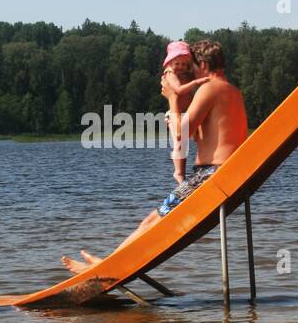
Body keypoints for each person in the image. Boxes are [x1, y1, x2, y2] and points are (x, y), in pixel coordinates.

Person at [62, 39, 248, 274]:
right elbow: (203, 136)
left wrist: (172, 98)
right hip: (226, 174)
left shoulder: (209, 88)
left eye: (190, 65)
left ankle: (104, 270)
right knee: (151, 220)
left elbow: (183, 134)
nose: (187, 71)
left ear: (201, 63)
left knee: (153, 222)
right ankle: (108, 264)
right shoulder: (232, 91)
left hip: (210, 176)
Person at [160, 40, 210, 186]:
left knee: (193, 139)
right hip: (174, 114)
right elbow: (179, 90)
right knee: (180, 143)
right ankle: (179, 172)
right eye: (177, 64)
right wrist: (196, 83)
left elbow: (196, 73)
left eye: (184, 64)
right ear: (170, 62)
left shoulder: (186, 73)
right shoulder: (170, 74)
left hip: (186, 113)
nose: (181, 67)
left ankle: (203, 164)